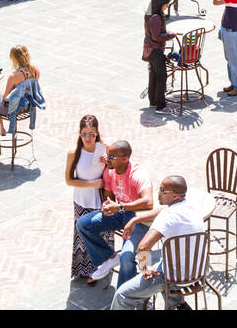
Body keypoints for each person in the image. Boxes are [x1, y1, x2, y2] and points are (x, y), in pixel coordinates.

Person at [110, 175, 202, 310]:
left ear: (175, 196)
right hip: (199, 267)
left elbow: (143, 247)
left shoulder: (167, 217)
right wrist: (136, 219)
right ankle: (178, 303)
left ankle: (174, 299)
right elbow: (164, 210)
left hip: (176, 277)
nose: (158, 192)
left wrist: (145, 268)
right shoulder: (191, 206)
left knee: (122, 295)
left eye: (163, 190)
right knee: (159, 257)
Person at [77, 140, 155, 286]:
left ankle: (125, 298)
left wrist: (119, 207)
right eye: (108, 155)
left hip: (138, 218)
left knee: (127, 257)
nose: (107, 159)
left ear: (125, 159)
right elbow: (110, 198)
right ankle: (110, 257)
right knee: (83, 224)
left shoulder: (138, 173)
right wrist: (107, 206)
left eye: (112, 157)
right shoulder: (109, 171)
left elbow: (149, 202)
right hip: (120, 213)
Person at [65, 115, 109, 284]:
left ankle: (100, 268)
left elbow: (115, 173)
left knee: (100, 235)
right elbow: (69, 180)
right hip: (82, 200)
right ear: (79, 134)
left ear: (97, 133)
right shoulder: (74, 153)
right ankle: (85, 269)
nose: (88, 138)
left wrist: (109, 163)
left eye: (92, 134)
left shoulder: (105, 150)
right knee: (83, 237)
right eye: (84, 134)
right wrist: (92, 183)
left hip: (100, 201)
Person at [0, 45, 42, 137]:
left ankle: (0, 128)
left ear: (14, 59)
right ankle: (0, 129)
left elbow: (6, 99)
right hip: (28, 106)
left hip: (13, 109)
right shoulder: (35, 69)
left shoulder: (14, 76)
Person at [143, 0, 176, 112]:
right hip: (155, 50)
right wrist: (170, 35)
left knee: (153, 75)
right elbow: (157, 36)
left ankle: (153, 101)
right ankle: (160, 105)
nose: (167, 7)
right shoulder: (155, 17)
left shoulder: (150, 14)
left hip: (150, 50)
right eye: (166, 5)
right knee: (162, 76)